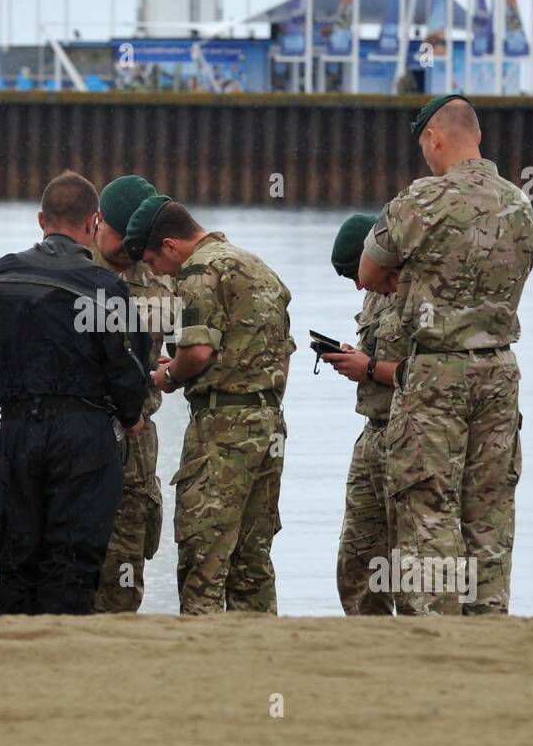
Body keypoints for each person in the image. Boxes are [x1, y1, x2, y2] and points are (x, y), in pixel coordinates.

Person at [359, 94, 533, 615]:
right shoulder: (519, 204)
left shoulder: (421, 201)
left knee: (427, 505)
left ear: (433, 139)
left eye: (425, 149)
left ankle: (437, 626)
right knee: (489, 509)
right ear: (476, 136)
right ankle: (489, 620)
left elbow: (369, 274)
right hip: (501, 371)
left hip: (436, 372)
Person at [0, 171, 148, 616]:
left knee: (14, 558)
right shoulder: (106, 289)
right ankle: (61, 661)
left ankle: (12, 653)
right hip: (84, 436)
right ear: (94, 222)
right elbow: (129, 373)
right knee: (73, 562)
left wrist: (12, 397)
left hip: (18, 429)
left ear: (41, 219)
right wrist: (126, 414)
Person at [123, 197, 295, 616]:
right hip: (269, 423)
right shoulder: (257, 267)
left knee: (204, 554)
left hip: (222, 432)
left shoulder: (198, 272)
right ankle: (260, 657)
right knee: (253, 560)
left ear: (169, 245)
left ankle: (201, 661)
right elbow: (281, 357)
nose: (156, 272)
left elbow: (197, 352)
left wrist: (168, 376)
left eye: (152, 261)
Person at [90, 175, 175, 612]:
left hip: (137, 443)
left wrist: (170, 372)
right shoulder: (72, 269)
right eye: (118, 235)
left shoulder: (163, 281)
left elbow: (194, 349)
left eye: (135, 239)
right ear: (96, 220)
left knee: (125, 566)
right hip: (81, 433)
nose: (126, 247)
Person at [321, 213, 407, 616]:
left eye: (356, 273)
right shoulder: (374, 293)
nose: (357, 285)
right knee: (356, 561)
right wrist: (357, 360)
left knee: (410, 560)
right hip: (372, 434)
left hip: (410, 435)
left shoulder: (417, 292)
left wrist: (370, 368)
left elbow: (433, 374)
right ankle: (368, 646)